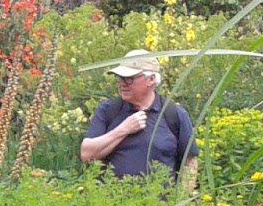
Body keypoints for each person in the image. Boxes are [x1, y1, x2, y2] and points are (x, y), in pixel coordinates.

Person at [80, 50, 199, 183]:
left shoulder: (173, 114)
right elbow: (86, 154)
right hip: (112, 201)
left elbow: (190, 162)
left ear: (151, 79)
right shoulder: (108, 110)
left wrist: (182, 201)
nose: (122, 83)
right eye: (119, 78)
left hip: (159, 202)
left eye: (129, 78)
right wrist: (124, 129)